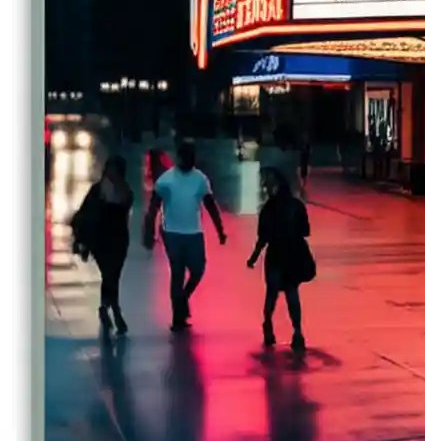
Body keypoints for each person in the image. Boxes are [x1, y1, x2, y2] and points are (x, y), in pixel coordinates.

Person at [144, 141, 228, 332]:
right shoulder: (166, 181)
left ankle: (182, 298)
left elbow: (210, 204)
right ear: (180, 158)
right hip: (172, 232)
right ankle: (177, 317)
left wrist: (220, 230)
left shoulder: (200, 179)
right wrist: (150, 231)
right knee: (178, 273)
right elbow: (153, 208)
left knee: (198, 269)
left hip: (193, 232)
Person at [247, 167, 314, 351]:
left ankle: (268, 325)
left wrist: (253, 258)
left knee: (272, 293)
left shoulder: (269, 208)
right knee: (292, 293)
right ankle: (297, 331)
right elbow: (305, 231)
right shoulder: (297, 206)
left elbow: (263, 238)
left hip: (275, 254)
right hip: (293, 253)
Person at [71, 155, 134, 335]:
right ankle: (115, 312)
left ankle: (104, 308)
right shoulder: (97, 190)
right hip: (100, 240)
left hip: (119, 240)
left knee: (112, 276)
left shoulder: (125, 191)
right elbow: (84, 214)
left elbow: (126, 206)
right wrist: (81, 240)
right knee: (109, 275)